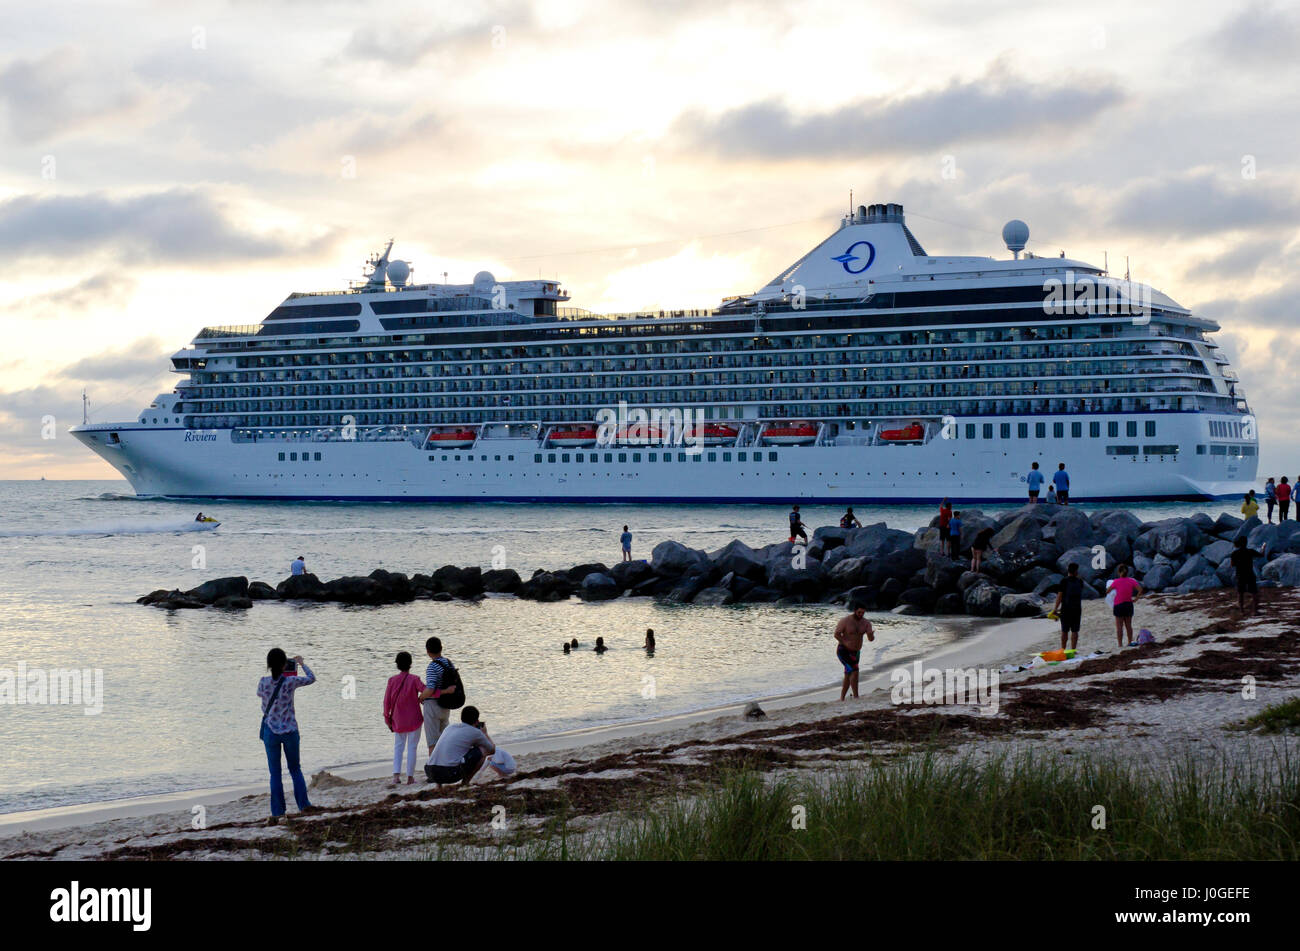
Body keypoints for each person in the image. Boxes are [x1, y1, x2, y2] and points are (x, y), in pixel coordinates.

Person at [257, 648, 316, 823]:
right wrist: (302, 664)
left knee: (275, 773)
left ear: (268, 665)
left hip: (271, 731)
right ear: (284, 664)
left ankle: (278, 811)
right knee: (295, 769)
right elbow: (312, 679)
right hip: (290, 730)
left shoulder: (263, 682)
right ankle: (303, 805)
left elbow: (260, 694)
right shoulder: (290, 681)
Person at [425, 706, 496, 787]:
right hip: (449, 774)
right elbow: (492, 750)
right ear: (477, 721)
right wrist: (485, 733)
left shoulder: (450, 727)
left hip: (429, 771)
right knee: (482, 751)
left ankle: (439, 786)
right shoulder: (476, 732)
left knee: (449, 753)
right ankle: (465, 783)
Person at [384, 651, 423, 787]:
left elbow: (386, 702)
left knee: (398, 747)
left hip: (398, 719)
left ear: (397, 665)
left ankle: (396, 776)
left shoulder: (391, 680)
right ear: (410, 664)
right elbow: (425, 690)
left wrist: (387, 718)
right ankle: (410, 777)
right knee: (412, 747)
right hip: (414, 719)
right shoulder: (415, 679)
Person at [419, 637, 458, 758]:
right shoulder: (449, 663)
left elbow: (430, 689)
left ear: (427, 651)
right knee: (444, 741)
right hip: (446, 706)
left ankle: (434, 771)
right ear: (441, 648)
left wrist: (420, 697)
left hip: (432, 706)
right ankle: (445, 765)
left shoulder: (432, 667)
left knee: (433, 743)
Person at [833, 603, 875, 700]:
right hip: (843, 650)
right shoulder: (845, 621)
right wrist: (845, 642)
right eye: (859, 612)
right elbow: (836, 634)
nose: (861, 614)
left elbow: (870, 639)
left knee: (848, 674)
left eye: (863, 613)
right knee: (855, 671)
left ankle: (842, 698)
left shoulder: (866, 623)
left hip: (856, 652)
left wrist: (871, 635)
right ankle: (856, 697)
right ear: (855, 611)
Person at [1051, 563, 1085, 650]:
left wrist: (1055, 609)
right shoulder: (1080, 581)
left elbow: (1059, 596)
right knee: (1075, 630)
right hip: (1077, 609)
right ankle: (1073, 650)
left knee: (1065, 630)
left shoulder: (1064, 581)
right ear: (1076, 571)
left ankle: (1063, 649)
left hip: (1066, 609)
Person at [1230, 536, 1266, 615]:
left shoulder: (1234, 553)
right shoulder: (1250, 551)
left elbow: (1232, 565)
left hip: (1240, 574)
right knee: (1254, 593)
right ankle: (1255, 611)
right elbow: (1262, 554)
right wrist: (1263, 547)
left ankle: (1242, 611)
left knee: (1240, 593)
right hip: (1250, 574)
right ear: (1246, 543)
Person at [1108, 564, 1142, 648]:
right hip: (1128, 604)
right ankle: (1130, 642)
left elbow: (1108, 591)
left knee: (1119, 626)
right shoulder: (1131, 581)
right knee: (1128, 625)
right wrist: (1136, 599)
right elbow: (1140, 590)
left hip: (1118, 605)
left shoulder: (1115, 581)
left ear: (1119, 572)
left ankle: (1120, 644)